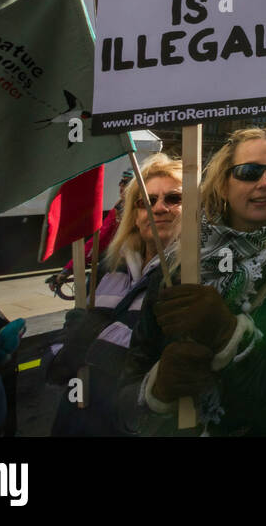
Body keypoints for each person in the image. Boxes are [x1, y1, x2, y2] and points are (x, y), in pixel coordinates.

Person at [118, 126, 266, 436]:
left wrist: (229, 335)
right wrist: (156, 389)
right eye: (249, 171)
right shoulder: (178, 263)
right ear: (224, 183)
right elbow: (130, 382)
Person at [49, 154, 183, 436]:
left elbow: (148, 365)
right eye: (145, 201)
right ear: (135, 215)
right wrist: (67, 349)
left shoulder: (190, 278)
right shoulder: (109, 269)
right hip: (76, 420)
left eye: (173, 199)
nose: (157, 208)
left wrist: (89, 341)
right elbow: (57, 354)